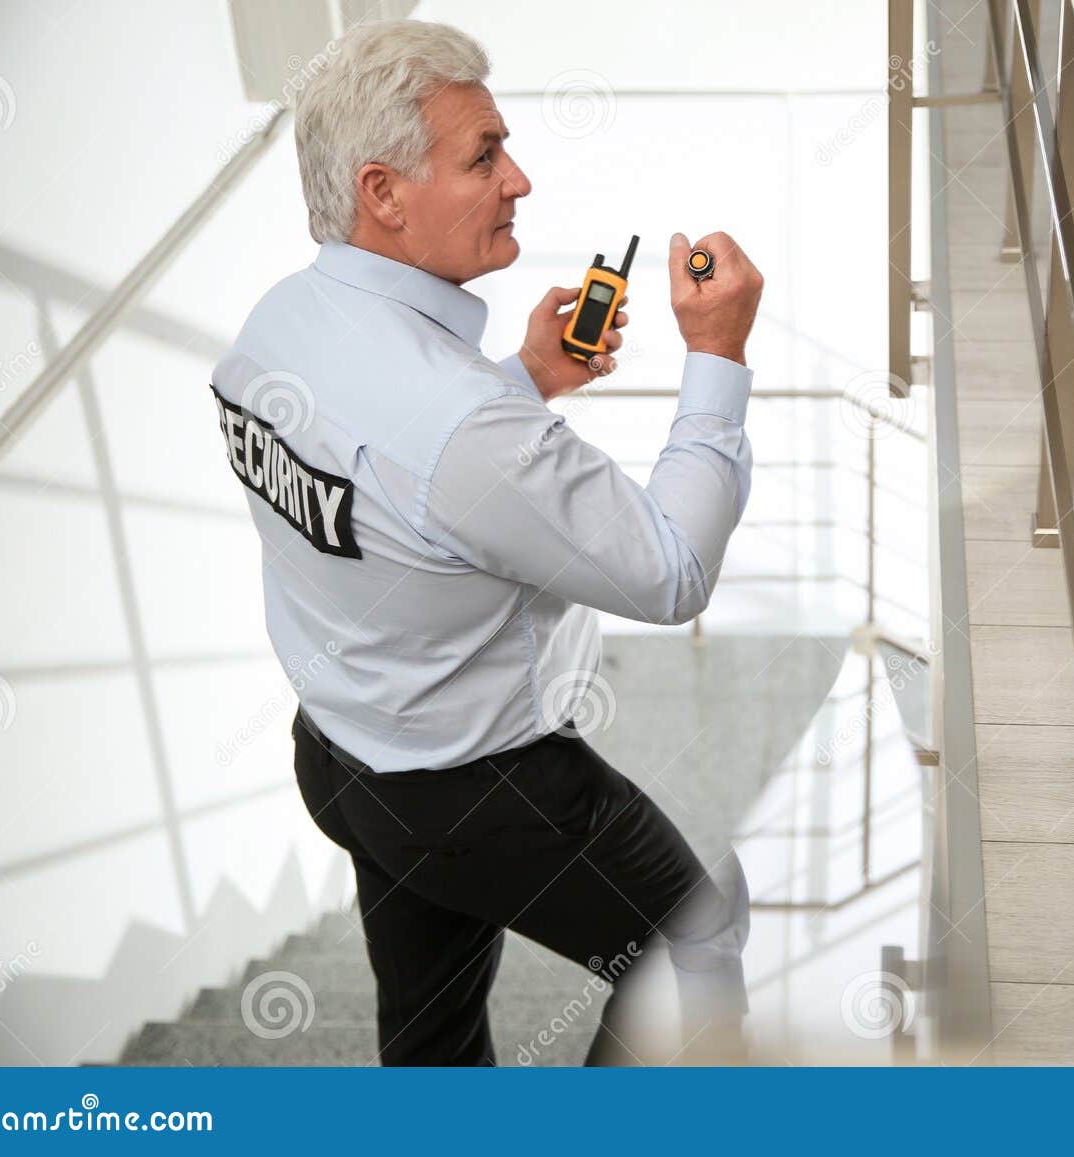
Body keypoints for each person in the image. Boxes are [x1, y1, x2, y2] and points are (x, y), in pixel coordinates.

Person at [209, 18, 764, 1065]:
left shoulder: (275, 328)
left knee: (432, 1033)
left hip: (341, 758)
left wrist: (527, 378)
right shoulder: (464, 428)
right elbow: (671, 571)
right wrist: (717, 356)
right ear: (383, 192)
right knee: (693, 943)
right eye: (483, 157)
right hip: (483, 793)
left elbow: (385, 485)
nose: (519, 180)